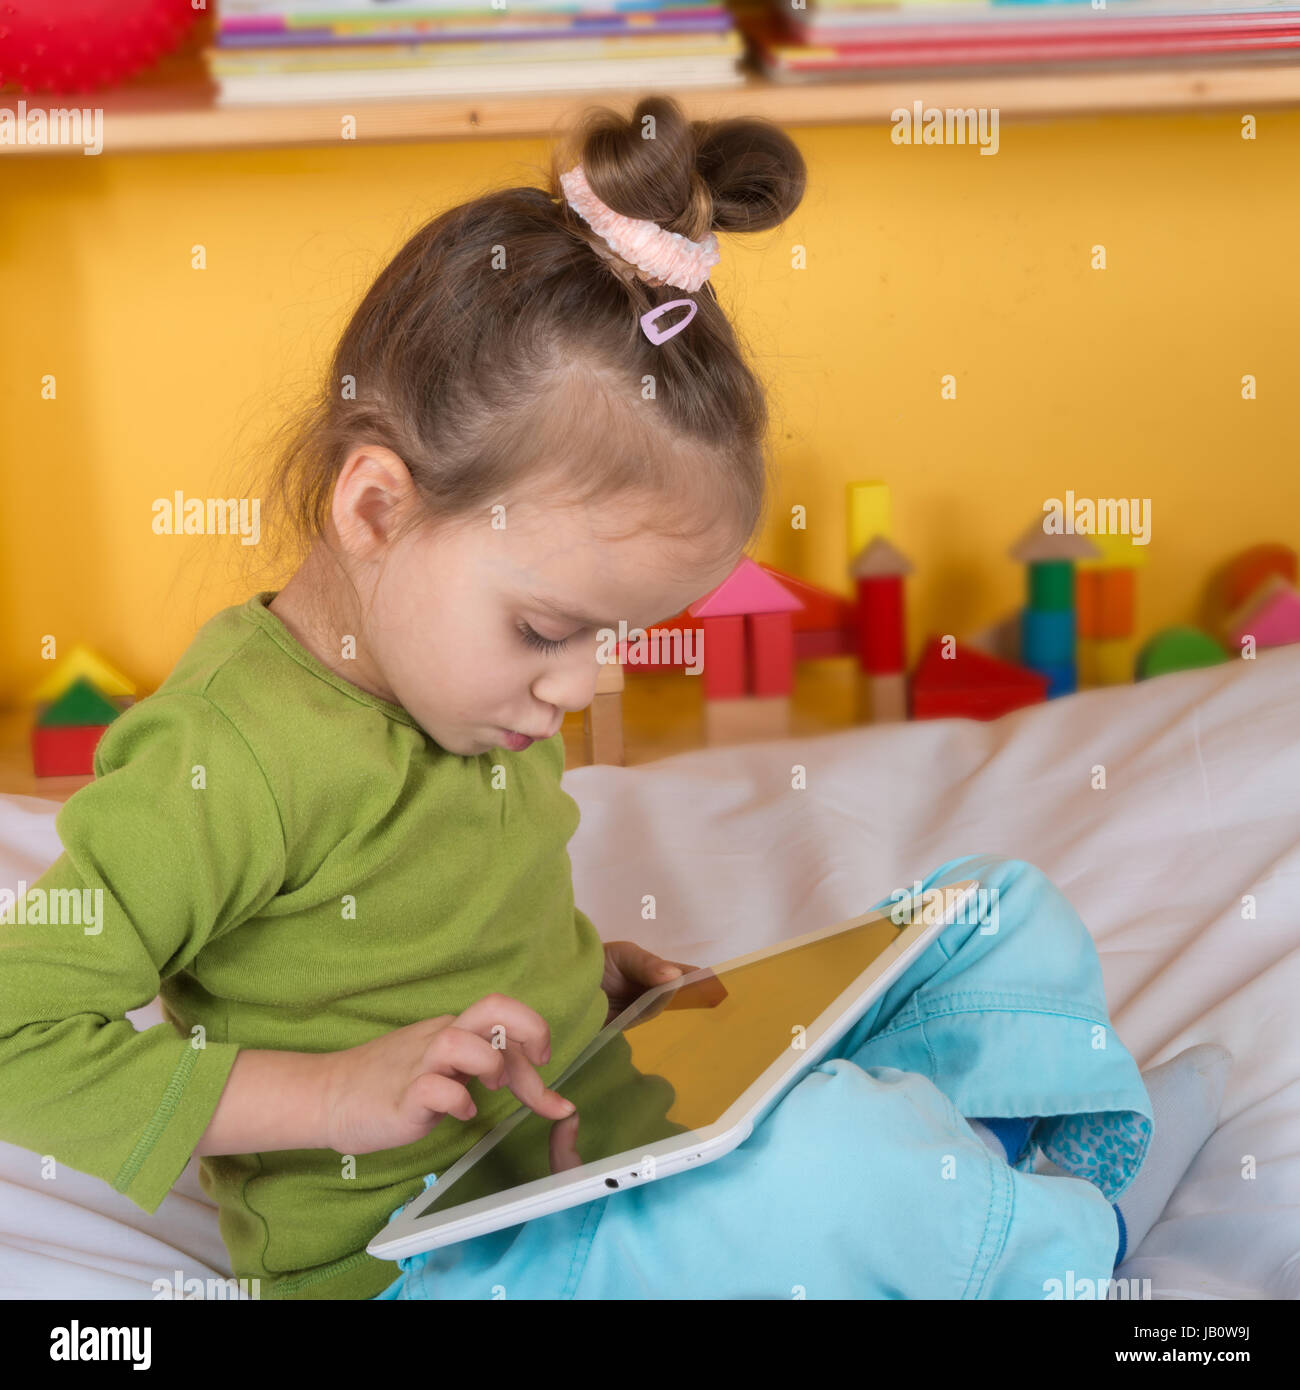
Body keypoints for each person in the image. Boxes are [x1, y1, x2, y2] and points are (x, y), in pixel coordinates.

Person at [0, 95, 1229, 1300]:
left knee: (988, 911)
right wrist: (329, 1096)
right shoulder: (228, 758)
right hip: (426, 1258)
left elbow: (446, 922)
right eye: (548, 628)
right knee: (827, 1174)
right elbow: (18, 1035)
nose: (580, 685)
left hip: (588, 1129)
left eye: (619, 638)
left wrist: (593, 990)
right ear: (375, 509)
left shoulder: (473, 688)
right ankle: (1050, 1241)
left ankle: (994, 1175)